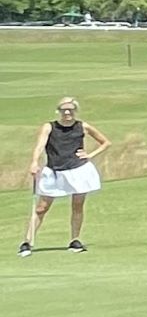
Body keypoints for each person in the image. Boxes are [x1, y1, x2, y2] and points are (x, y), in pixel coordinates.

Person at [23, 95, 109, 256]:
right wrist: (34, 162)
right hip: (54, 171)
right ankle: (28, 241)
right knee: (42, 208)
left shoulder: (83, 126)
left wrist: (90, 155)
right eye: (64, 109)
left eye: (70, 109)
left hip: (78, 170)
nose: (67, 112)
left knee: (77, 205)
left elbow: (105, 142)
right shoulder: (49, 127)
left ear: (75, 110)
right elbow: (40, 146)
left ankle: (75, 240)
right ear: (59, 111)